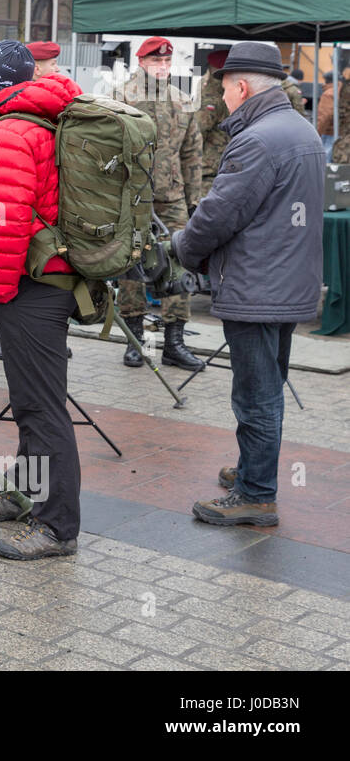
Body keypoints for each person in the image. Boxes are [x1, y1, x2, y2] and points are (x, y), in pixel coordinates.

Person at [171, 42, 323, 527]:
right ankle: (252, 471)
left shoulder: (258, 139)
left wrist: (183, 248)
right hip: (284, 283)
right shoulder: (297, 128)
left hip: (257, 286)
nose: (223, 98)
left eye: (224, 88)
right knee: (267, 386)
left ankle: (256, 494)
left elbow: (219, 213)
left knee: (255, 395)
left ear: (241, 86)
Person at [0, 40, 83, 560]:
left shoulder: (9, 130)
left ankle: (57, 526)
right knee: (30, 402)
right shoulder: (42, 116)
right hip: (51, 278)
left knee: (41, 408)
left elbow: (6, 223)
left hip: (31, 285)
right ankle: (23, 493)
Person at [111, 38, 206, 372]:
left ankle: (174, 342)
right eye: (156, 61)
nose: (163, 67)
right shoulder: (121, 98)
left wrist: (195, 199)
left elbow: (192, 153)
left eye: (167, 62)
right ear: (141, 62)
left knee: (178, 265)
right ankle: (136, 341)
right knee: (132, 268)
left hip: (173, 196)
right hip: (132, 197)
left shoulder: (182, 101)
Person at [197, 48, 230, 197]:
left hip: (213, 169)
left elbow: (197, 133)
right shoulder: (217, 98)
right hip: (212, 170)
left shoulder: (216, 96)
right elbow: (197, 134)